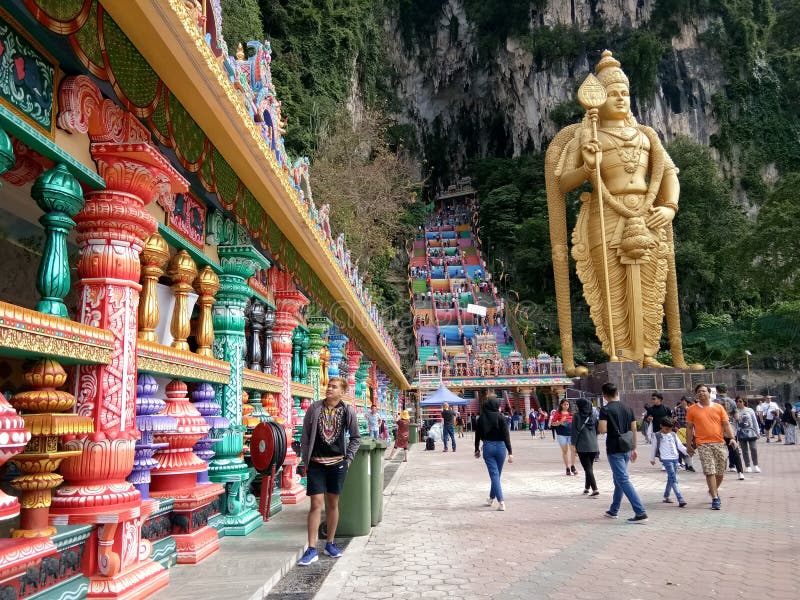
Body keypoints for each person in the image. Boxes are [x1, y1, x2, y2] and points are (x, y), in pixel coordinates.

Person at [546, 50, 689, 374]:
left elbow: (668, 174)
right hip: (605, 214)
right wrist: (586, 166)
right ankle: (621, 352)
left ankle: (648, 353)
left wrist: (669, 207)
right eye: (613, 93)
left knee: (652, 286)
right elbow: (562, 182)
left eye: (625, 93)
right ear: (597, 100)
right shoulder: (586, 134)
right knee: (611, 286)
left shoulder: (647, 135)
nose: (621, 98)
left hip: (648, 212)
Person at [297, 377, 361, 565]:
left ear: (342, 392)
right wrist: (305, 459)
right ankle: (311, 548)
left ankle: (330, 543)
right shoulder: (315, 408)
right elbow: (305, 437)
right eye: (328, 386)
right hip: (316, 463)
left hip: (337, 464)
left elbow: (356, 437)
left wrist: (348, 460)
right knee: (316, 504)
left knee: (333, 504)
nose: (329, 389)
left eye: (334, 387)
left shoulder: (348, 411)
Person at [598, 382, 648, 523]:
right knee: (618, 479)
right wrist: (634, 448)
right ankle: (614, 510)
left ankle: (640, 512)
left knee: (623, 479)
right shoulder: (627, 407)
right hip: (627, 446)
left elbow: (602, 430)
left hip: (614, 448)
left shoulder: (606, 409)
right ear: (617, 392)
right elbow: (633, 429)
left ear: (604, 395)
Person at [686, 383, 737, 511]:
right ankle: (715, 498)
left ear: (709, 393)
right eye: (699, 392)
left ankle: (713, 490)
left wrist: (732, 438)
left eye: (704, 391)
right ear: (696, 395)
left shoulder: (718, 407)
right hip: (703, 444)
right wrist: (689, 445)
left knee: (720, 471)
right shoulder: (692, 409)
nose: (701, 393)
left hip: (719, 443)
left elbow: (726, 424)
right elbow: (689, 428)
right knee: (710, 470)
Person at [474, 394, 513, 511]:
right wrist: (510, 452)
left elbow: (477, 435)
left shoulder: (481, 418)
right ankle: (492, 498)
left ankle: (499, 501)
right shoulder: (501, 417)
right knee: (496, 475)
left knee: (494, 475)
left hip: (488, 447)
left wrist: (476, 449)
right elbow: (506, 435)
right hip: (501, 448)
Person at [649, 417, 687, 507]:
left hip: (675, 458)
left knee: (671, 478)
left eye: (670, 429)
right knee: (673, 478)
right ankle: (680, 498)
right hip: (666, 459)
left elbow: (680, 446)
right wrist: (652, 458)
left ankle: (666, 496)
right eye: (666, 429)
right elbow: (654, 447)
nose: (668, 431)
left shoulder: (673, 434)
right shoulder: (657, 435)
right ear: (661, 426)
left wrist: (687, 452)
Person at [714, 384, 745, 480]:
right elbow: (737, 417)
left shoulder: (714, 402)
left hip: (717, 429)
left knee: (717, 450)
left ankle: (718, 472)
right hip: (729, 427)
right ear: (726, 390)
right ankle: (740, 472)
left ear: (717, 391)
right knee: (734, 449)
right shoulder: (732, 401)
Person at [572, 398, 599, 496]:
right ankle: (587, 487)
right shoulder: (593, 416)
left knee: (587, 468)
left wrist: (573, 445)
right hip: (593, 445)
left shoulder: (577, 416)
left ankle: (595, 489)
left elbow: (574, 432)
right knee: (589, 467)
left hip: (582, 445)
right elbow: (597, 430)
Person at [735, 396, 761, 473]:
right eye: (737, 401)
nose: (738, 403)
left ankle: (756, 465)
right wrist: (735, 434)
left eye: (740, 401)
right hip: (741, 432)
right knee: (744, 450)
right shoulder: (735, 411)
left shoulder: (750, 410)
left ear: (744, 402)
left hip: (751, 431)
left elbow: (754, 421)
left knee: (753, 448)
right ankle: (748, 466)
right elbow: (734, 423)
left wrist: (757, 432)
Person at [552, 399, 577, 476]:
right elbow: (553, 423)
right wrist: (560, 422)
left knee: (573, 450)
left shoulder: (572, 413)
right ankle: (567, 467)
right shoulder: (558, 413)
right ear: (561, 405)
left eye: (567, 404)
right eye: (565, 404)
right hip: (561, 434)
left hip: (571, 434)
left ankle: (573, 466)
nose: (566, 406)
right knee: (565, 451)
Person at [673, 396, 695, 472]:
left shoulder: (690, 409)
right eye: (682, 401)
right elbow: (673, 419)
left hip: (689, 430)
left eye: (685, 401)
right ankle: (686, 464)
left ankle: (689, 465)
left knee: (690, 447)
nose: (683, 403)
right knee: (681, 447)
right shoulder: (676, 409)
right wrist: (675, 425)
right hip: (679, 430)